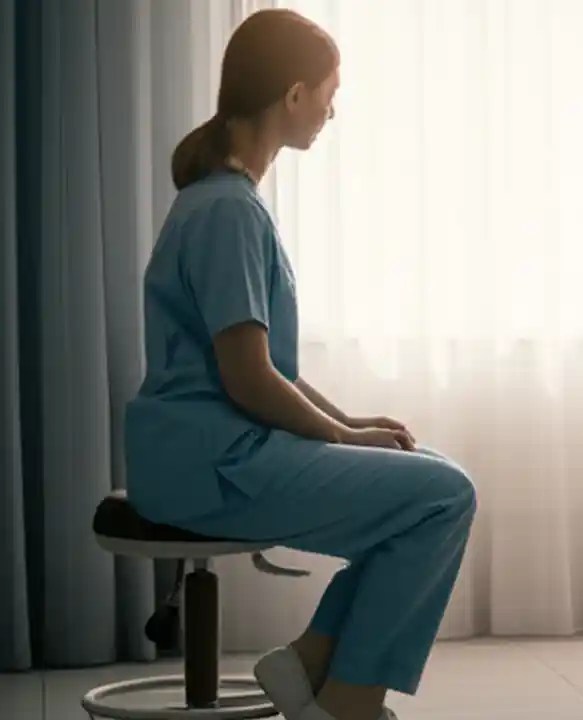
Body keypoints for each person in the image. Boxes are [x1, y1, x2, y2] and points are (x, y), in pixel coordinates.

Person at [123, 10, 475, 720]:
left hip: (202, 455)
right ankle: (343, 698)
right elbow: (248, 378)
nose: (331, 111)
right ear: (291, 95)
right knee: (442, 496)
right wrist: (342, 440)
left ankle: (308, 662)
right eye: (327, 92)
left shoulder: (222, 201)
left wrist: (349, 420)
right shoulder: (228, 211)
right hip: (215, 465)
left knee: (423, 477)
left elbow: (255, 362)